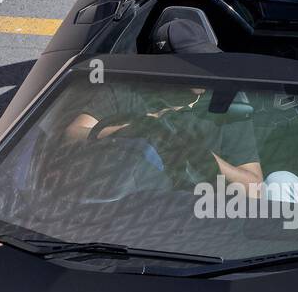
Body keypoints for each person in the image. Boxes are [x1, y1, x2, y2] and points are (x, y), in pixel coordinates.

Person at [65, 19, 262, 188]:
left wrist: (201, 155)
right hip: (136, 204)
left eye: (208, 62)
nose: (204, 71)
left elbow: (254, 187)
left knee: (281, 181)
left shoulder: (226, 105)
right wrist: (134, 130)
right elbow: (72, 134)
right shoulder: (128, 91)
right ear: (161, 66)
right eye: (192, 64)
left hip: (205, 212)